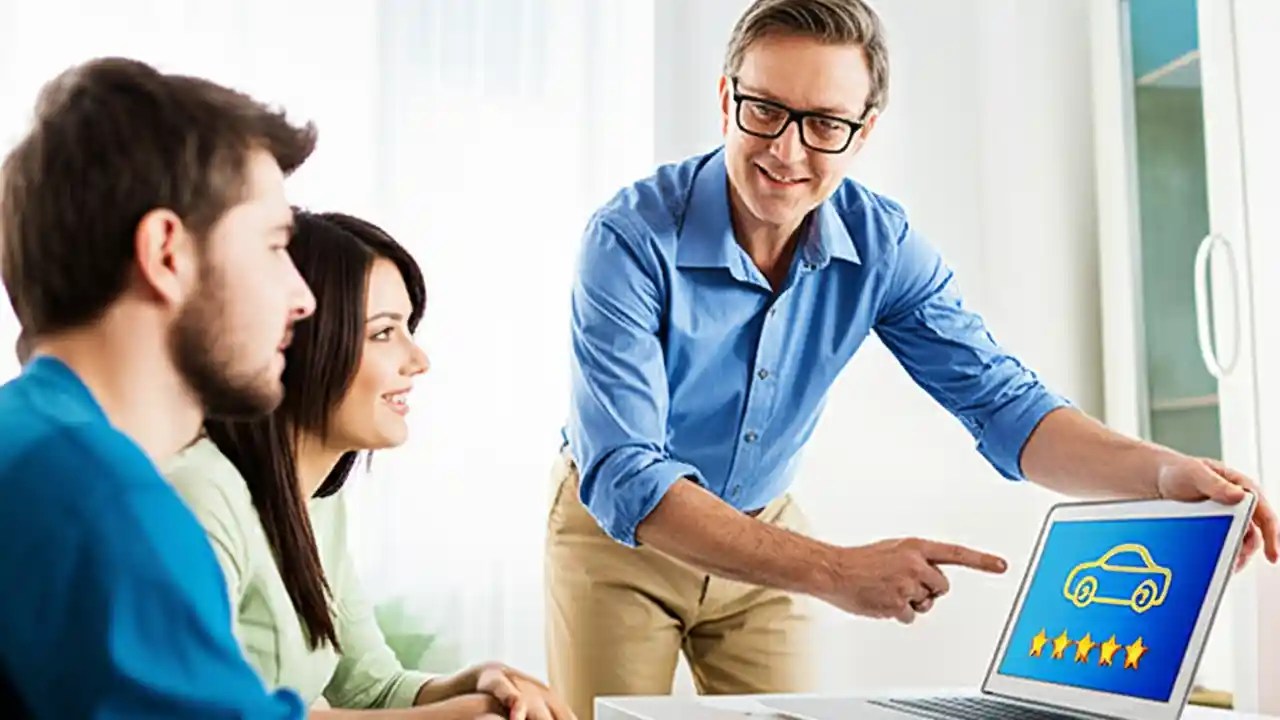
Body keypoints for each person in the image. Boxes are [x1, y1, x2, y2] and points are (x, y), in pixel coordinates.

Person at [545, 0, 1280, 717]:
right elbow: (628, 474)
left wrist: (1157, 471)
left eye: (825, 124)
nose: (787, 150)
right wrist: (835, 570)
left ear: (862, 134)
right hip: (621, 544)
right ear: (725, 97)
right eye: (764, 109)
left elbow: (1004, 403)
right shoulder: (630, 236)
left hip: (765, 526)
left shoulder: (883, 245)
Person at [0, 57, 318, 717]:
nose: (303, 296)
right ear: (167, 253)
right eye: (273, 245)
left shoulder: (30, 445)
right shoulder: (95, 495)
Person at [164, 210, 573, 720]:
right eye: (383, 333)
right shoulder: (200, 494)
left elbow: (370, 689)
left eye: (408, 328)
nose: (417, 359)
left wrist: (473, 683)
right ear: (296, 343)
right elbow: (193, 712)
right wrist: (446, 718)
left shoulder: (317, 504)